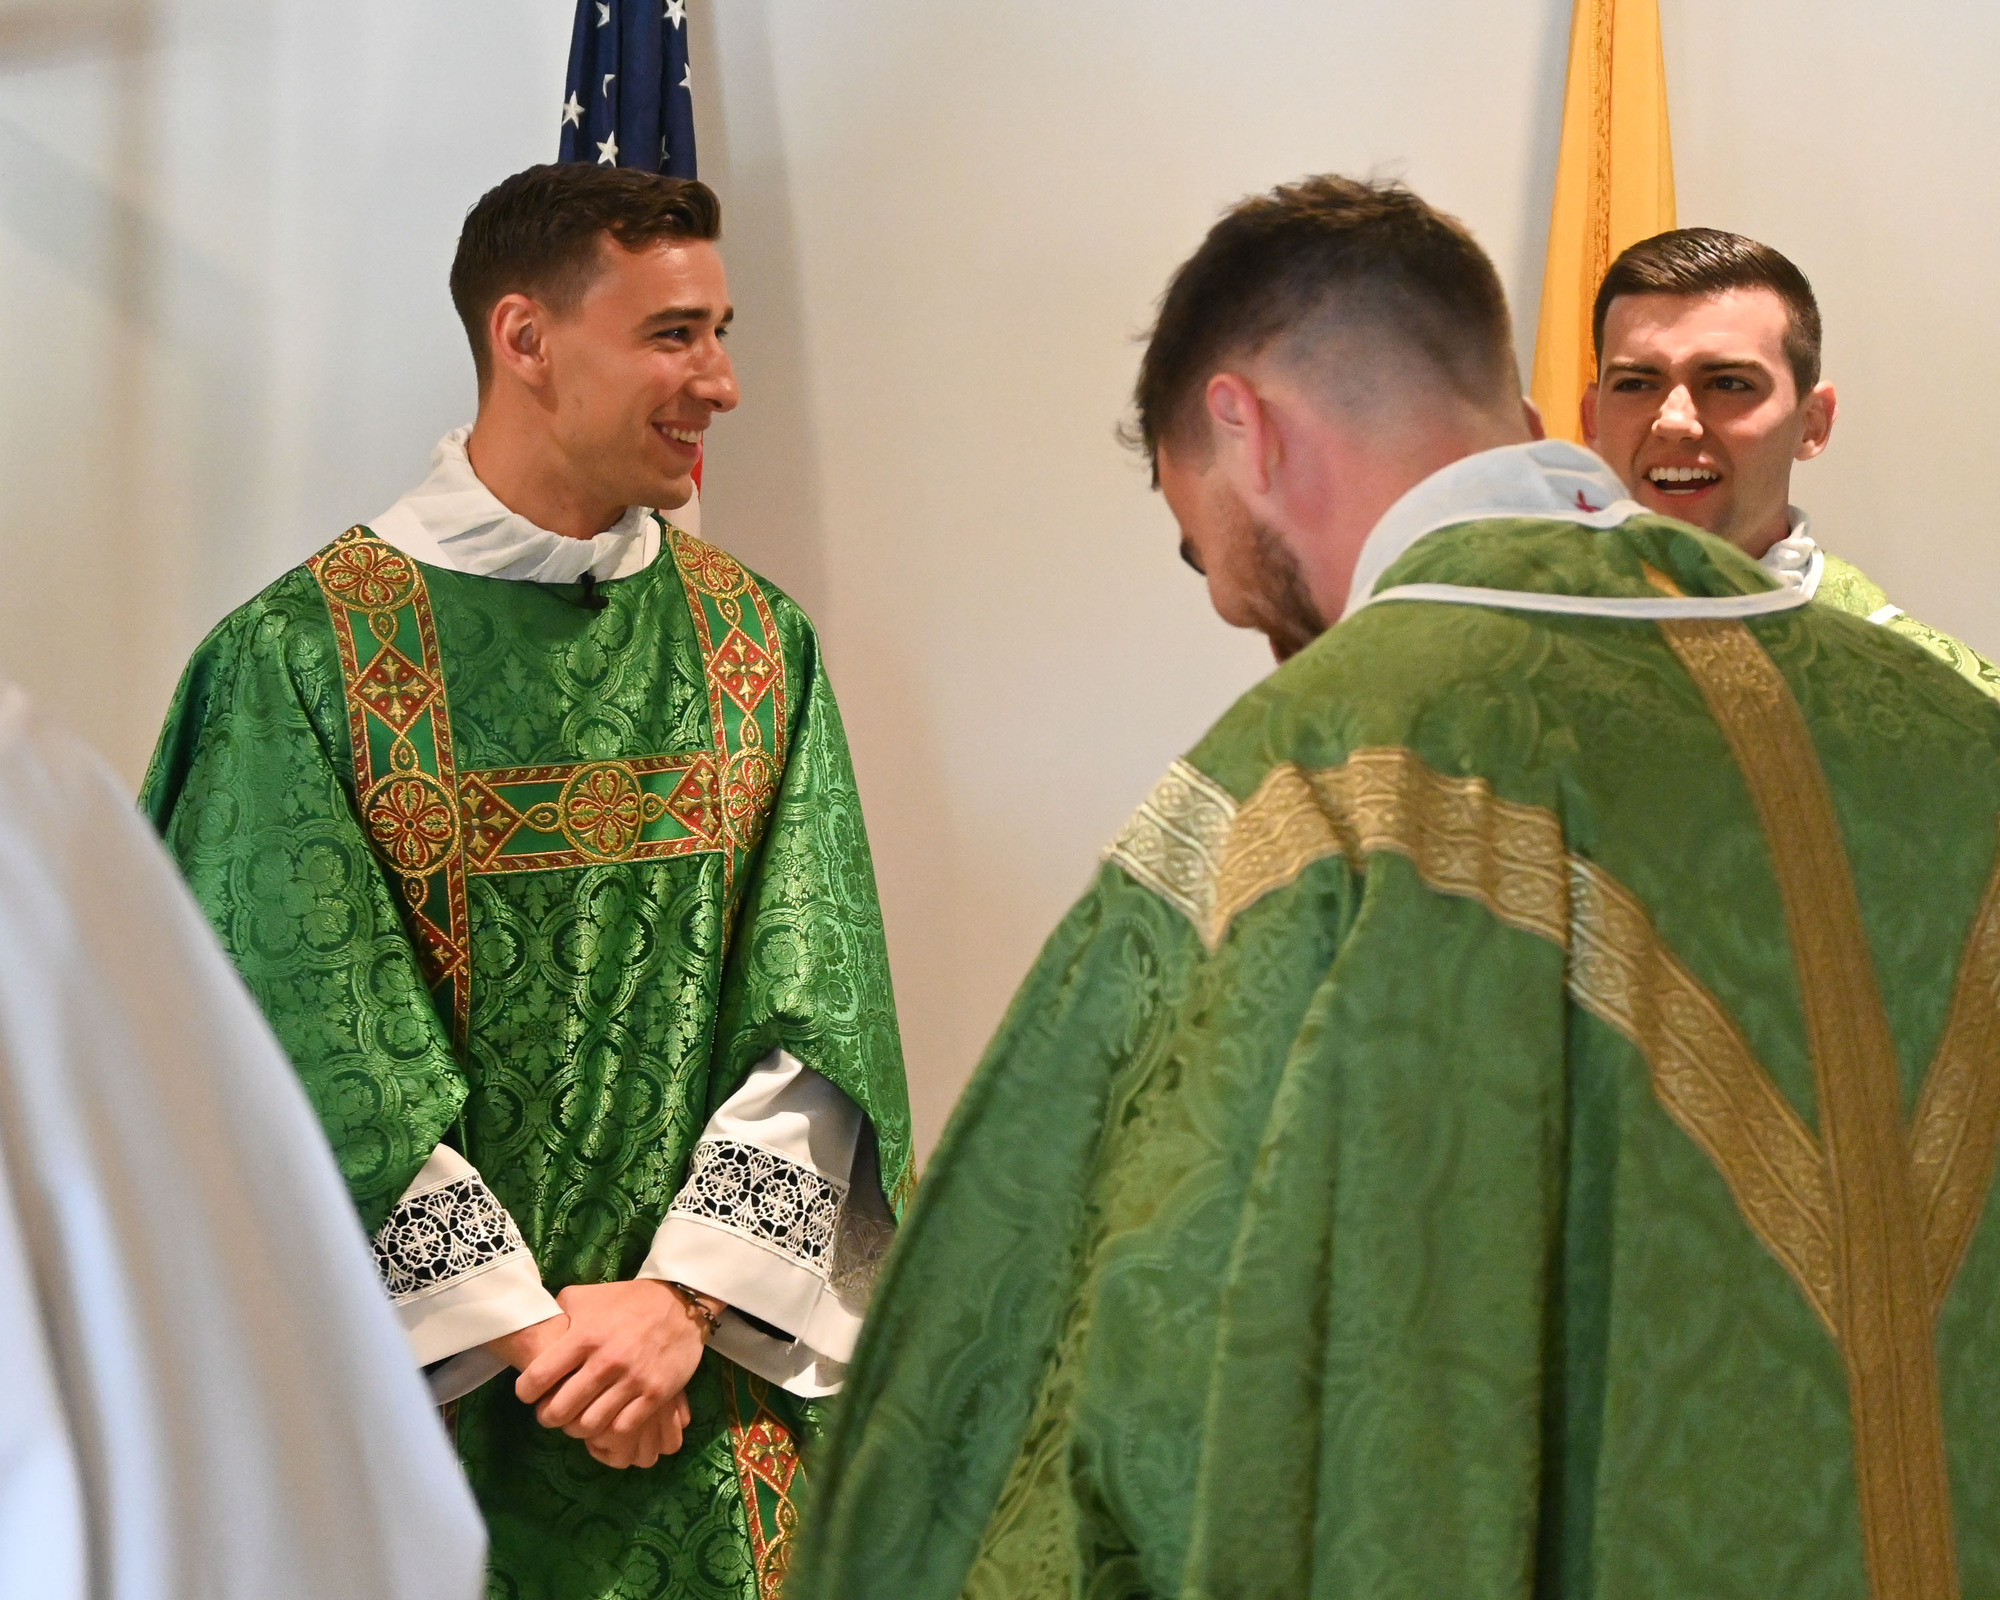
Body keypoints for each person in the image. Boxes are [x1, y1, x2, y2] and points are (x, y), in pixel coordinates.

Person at [789, 176, 2000, 1600]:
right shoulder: (1945, 730)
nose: (1232, 606)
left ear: (1244, 426)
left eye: (1199, 541)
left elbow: (1094, 1367)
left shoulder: (1316, 775)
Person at [142, 164, 911, 1600]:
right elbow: (296, 1052)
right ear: (526, 337)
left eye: (720, 332)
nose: (722, 383)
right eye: (674, 335)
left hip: (701, 1407)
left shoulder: (756, 648)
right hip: (420, 1426)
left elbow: (824, 1020)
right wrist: (531, 1333)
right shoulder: (298, 661)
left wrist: (679, 1306)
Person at [0, 681, 484, 1599]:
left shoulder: (20, 793)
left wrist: (685, 1290)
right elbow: (310, 1011)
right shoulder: (286, 655)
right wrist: (510, 1310)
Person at [1584, 226, 2000, 698]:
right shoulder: (1521, 657)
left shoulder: (1947, 701)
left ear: (1812, 423)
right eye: (1636, 384)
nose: (1675, 422)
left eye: (1728, 383)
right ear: (1591, 419)